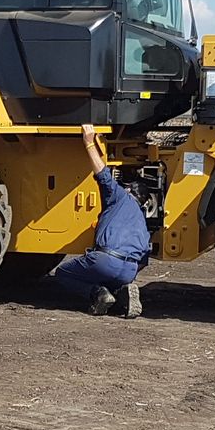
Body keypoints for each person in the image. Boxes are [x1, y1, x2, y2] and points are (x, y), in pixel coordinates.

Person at [51, 124, 150, 318]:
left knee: (63, 274)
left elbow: (102, 175)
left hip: (105, 259)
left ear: (129, 189)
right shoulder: (142, 223)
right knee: (113, 276)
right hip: (129, 269)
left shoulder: (120, 196)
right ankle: (123, 290)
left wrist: (89, 143)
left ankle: (98, 294)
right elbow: (143, 261)